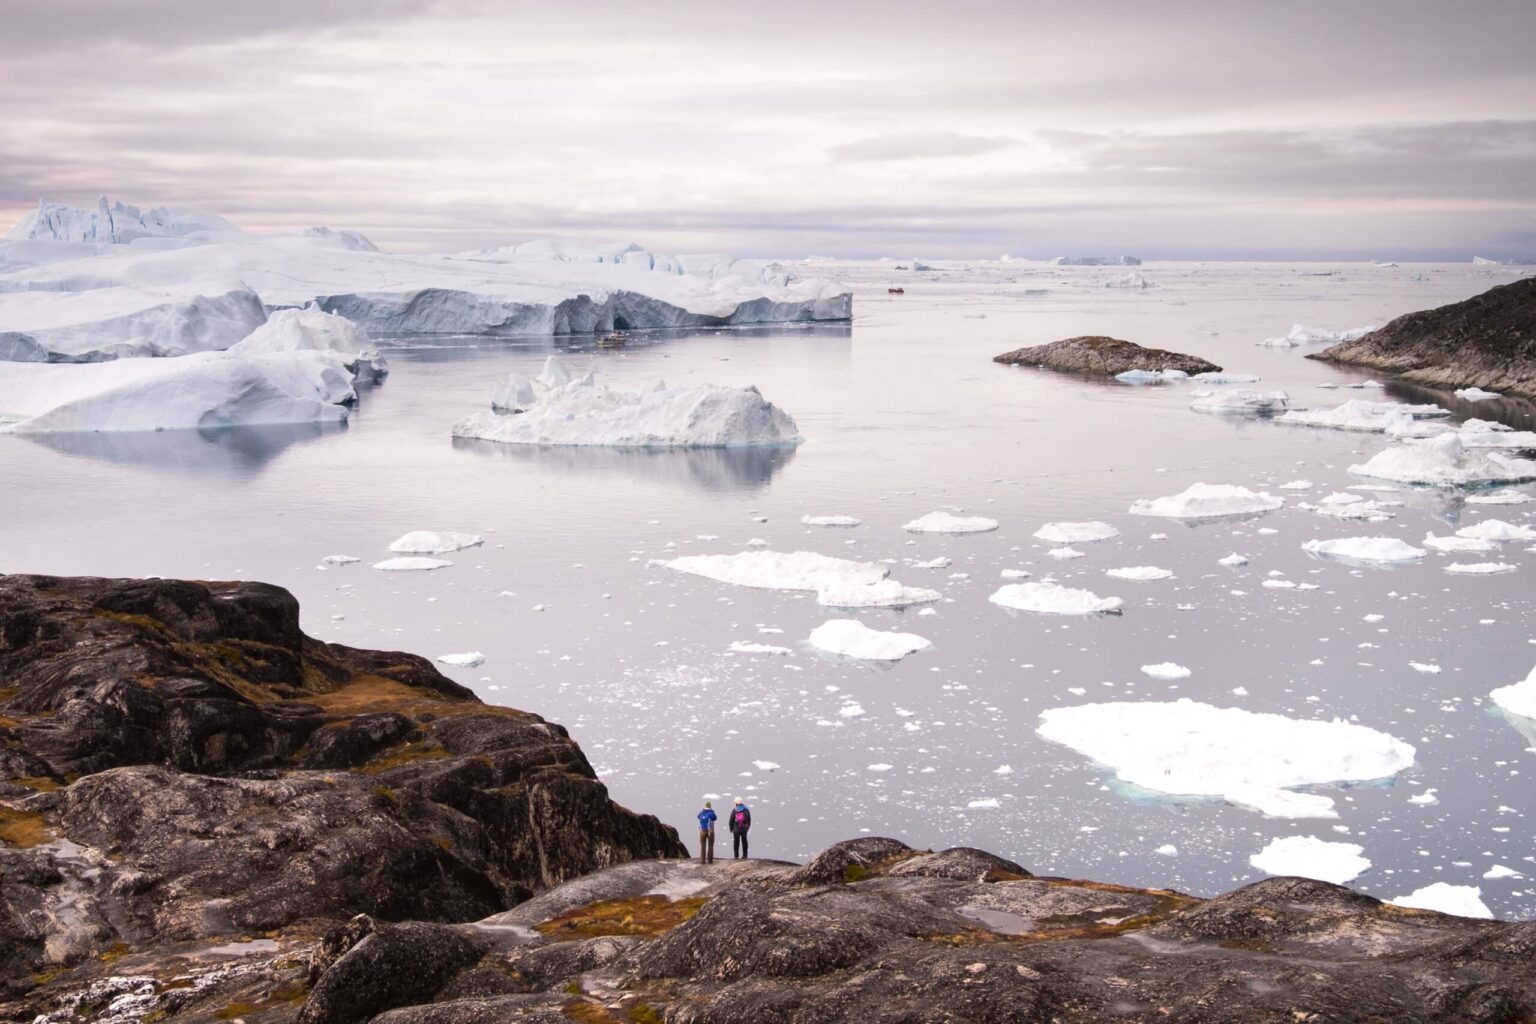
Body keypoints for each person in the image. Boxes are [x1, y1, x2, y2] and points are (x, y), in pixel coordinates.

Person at [696, 800, 717, 864]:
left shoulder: (701, 813)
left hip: (702, 831)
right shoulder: (711, 813)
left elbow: (698, 817)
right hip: (710, 831)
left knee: (703, 846)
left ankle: (702, 861)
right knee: (710, 845)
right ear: (710, 806)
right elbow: (715, 818)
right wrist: (712, 811)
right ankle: (710, 860)